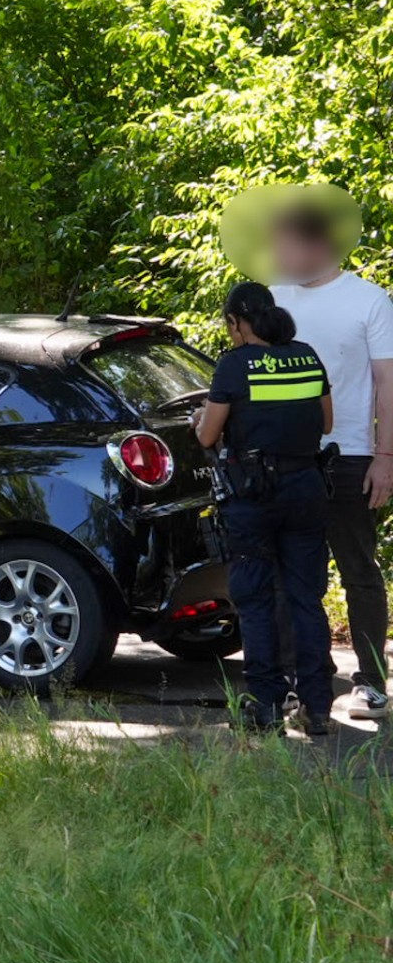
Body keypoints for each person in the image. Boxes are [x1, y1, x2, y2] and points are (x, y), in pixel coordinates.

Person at [226, 183, 392, 721]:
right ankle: (297, 685)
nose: (274, 252)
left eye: (283, 242)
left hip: (350, 456)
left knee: (357, 569)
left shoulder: (369, 300)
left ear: (317, 243)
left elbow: (387, 384)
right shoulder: (273, 299)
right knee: (286, 576)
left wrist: (385, 458)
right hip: (280, 461)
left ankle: (371, 683)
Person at [192, 282, 334, 736]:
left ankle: (267, 706)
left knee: (254, 599)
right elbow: (326, 422)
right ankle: (317, 707)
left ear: (236, 322)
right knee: (306, 597)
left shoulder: (234, 365)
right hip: (307, 487)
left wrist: (201, 419)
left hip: (254, 495)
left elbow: (207, 436)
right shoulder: (306, 355)